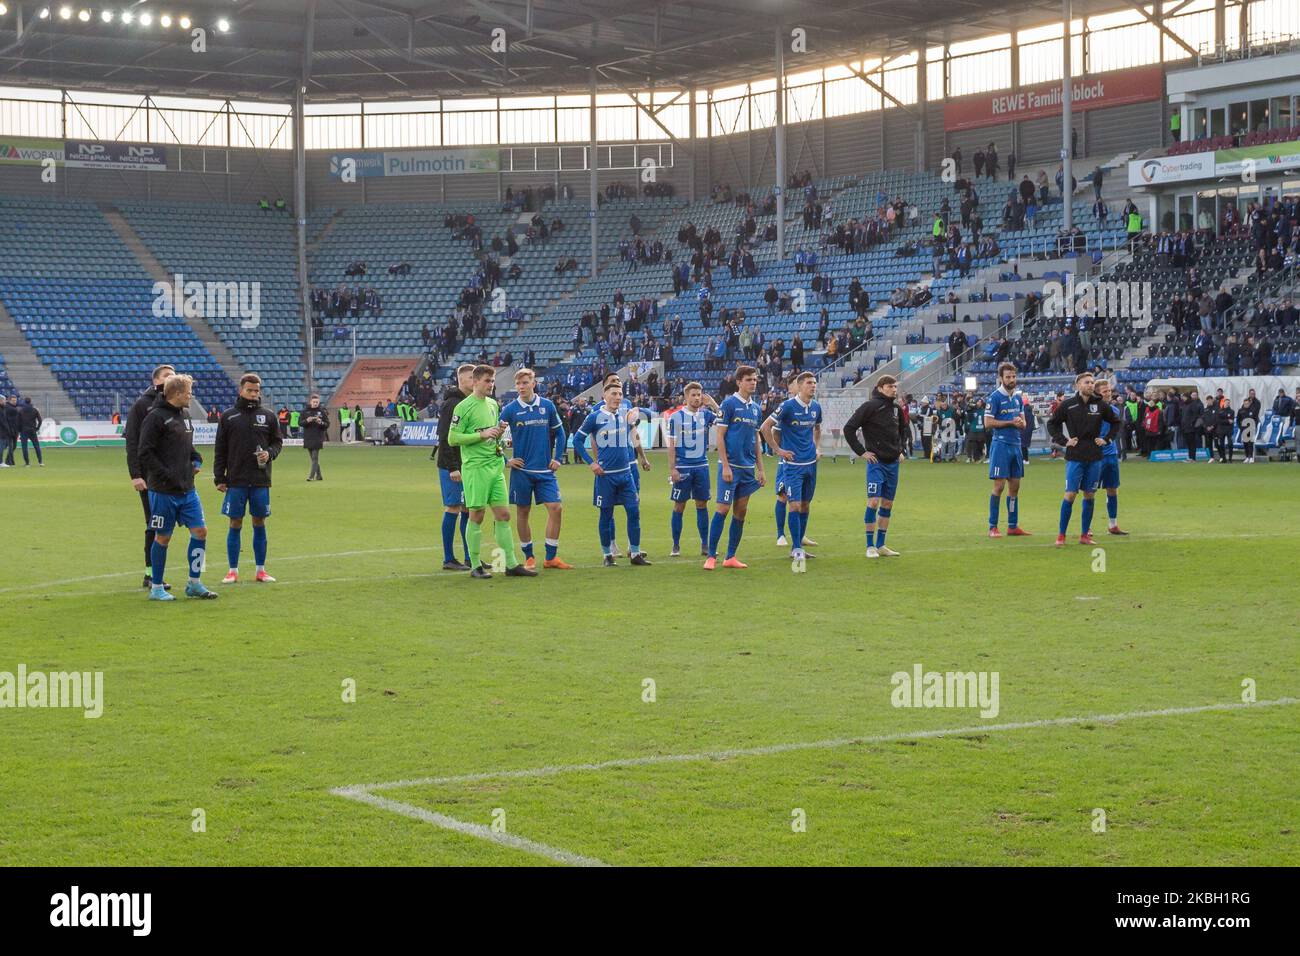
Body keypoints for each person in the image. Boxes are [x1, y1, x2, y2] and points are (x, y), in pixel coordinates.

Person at [446, 365, 536, 579]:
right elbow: (452, 438)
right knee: (476, 515)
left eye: (493, 381)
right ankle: (475, 565)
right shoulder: (463, 407)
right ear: (475, 381)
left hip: (495, 466)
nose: (491, 385)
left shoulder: (493, 404)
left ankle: (511, 564)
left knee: (503, 515)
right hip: (475, 468)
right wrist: (482, 434)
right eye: (487, 381)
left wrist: (498, 433)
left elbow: (492, 436)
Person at [136, 373, 217, 601]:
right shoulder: (155, 418)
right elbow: (145, 451)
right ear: (177, 394)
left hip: (187, 489)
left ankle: (194, 582)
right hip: (163, 491)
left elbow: (186, 446)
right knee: (163, 537)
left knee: (200, 531)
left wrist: (196, 458)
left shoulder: (184, 415)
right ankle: (157, 587)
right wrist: (166, 474)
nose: (191, 396)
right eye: (189, 392)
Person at [499, 368, 571, 571]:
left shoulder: (546, 406)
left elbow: (561, 433)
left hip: (545, 472)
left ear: (533, 383)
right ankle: (529, 556)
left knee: (556, 508)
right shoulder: (510, 409)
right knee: (523, 511)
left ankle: (551, 557)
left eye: (525, 383)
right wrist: (506, 460)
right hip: (522, 472)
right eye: (518, 384)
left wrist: (557, 458)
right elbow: (495, 436)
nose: (521, 387)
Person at [214, 373, 283, 584]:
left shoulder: (269, 416)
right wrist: (219, 477)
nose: (253, 394)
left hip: (261, 479)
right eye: (249, 390)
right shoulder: (228, 416)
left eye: (256, 391)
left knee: (259, 521)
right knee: (235, 522)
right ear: (241, 390)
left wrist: (269, 454)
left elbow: (277, 442)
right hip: (236, 480)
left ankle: (260, 570)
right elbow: (221, 449)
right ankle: (232, 570)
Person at [574, 380, 651, 566]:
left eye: (620, 394)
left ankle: (635, 553)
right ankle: (607, 555)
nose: (617, 397)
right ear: (604, 396)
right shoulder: (594, 417)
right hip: (605, 476)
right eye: (613, 394)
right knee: (606, 516)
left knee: (634, 512)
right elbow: (577, 440)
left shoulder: (626, 415)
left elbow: (647, 414)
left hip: (626, 474)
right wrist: (591, 463)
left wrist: (637, 411)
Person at [1047, 372, 1122, 547]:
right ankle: (1061, 535)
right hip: (1075, 455)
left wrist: (1107, 439)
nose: (1090, 385)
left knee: (1090, 494)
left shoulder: (1100, 405)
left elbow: (1116, 422)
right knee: (1071, 494)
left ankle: (1084, 535)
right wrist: (1064, 441)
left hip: (1095, 455)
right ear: (1077, 385)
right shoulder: (1068, 405)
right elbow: (1052, 423)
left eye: (1092, 382)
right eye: (1087, 382)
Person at [705, 365, 766, 570]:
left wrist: (761, 469)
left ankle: (730, 556)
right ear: (739, 382)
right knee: (722, 508)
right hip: (730, 467)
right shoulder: (729, 404)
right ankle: (711, 556)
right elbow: (720, 436)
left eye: (755, 380)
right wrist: (725, 466)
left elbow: (756, 440)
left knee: (741, 511)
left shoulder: (756, 409)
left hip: (748, 469)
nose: (753, 383)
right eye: (749, 379)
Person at [844, 375, 908, 558]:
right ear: (880, 388)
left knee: (888, 503)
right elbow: (849, 428)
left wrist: (900, 449)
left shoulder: (896, 409)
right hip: (876, 463)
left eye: (895, 387)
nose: (894, 390)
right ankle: (869, 545)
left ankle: (881, 545)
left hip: (893, 463)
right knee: (873, 501)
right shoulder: (870, 407)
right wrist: (861, 452)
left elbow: (903, 431)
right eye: (890, 386)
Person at [760, 372, 822, 562]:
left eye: (815, 383)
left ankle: (799, 545)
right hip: (792, 466)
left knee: (805, 505)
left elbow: (817, 428)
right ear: (800, 385)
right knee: (793, 504)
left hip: (811, 464)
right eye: (810, 383)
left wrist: (817, 447)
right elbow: (765, 427)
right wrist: (778, 450)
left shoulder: (816, 407)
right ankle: (795, 548)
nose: (813, 386)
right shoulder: (787, 406)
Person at [125, 364, 176, 589]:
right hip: (149, 476)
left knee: (174, 525)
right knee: (154, 524)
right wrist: (136, 474)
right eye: (167, 376)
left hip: (174, 478)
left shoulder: (175, 406)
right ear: (156, 380)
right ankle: (151, 574)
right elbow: (133, 442)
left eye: (174, 376)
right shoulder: (141, 406)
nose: (171, 378)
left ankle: (192, 576)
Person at [666, 382, 719, 557]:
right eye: (693, 395)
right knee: (679, 505)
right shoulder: (676, 417)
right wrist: (672, 469)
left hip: (701, 466)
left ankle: (705, 545)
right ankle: (675, 545)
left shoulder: (706, 414)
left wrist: (713, 404)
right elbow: (671, 446)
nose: (697, 398)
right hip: (683, 467)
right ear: (686, 396)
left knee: (702, 504)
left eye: (699, 395)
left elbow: (725, 419)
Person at [985, 363, 1031, 538]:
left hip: (1015, 445)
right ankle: (993, 526)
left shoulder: (1018, 398)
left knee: (1015, 486)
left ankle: (1012, 525)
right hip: (1001, 445)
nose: (1012, 380)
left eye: (1013, 376)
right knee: (999, 486)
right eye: (1008, 377)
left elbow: (1024, 422)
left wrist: (1021, 423)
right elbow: (988, 423)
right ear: (1001, 378)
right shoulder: (994, 398)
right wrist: (1011, 423)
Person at [435, 366, 475, 570]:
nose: (474, 380)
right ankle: (448, 558)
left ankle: (470, 557)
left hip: (468, 465)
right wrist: (452, 467)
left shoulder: (471, 403)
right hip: (452, 466)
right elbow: (443, 437)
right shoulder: (452, 404)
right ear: (461, 380)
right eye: (470, 377)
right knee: (453, 507)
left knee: (469, 508)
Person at [1094, 379, 1128, 535]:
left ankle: (1112, 524)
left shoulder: (1114, 410)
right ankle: (1086, 528)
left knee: (1112, 489)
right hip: (1096, 455)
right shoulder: (1092, 410)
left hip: (1111, 454)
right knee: (1090, 491)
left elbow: (1115, 430)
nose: (1108, 393)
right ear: (1097, 393)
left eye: (1109, 391)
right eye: (1104, 391)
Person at [301, 394, 328, 481]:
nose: (315, 403)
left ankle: (311, 476)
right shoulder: (305, 411)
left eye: (317, 402)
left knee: (315, 457)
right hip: (308, 437)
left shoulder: (322, 412)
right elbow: (300, 423)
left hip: (318, 437)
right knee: (313, 459)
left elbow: (327, 424)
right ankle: (319, 476)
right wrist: (307, 421)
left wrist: (321, 423)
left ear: (319, 402)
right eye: (314, 402)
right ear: (310, 402)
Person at [16, 397, 42, 465]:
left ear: (24, 402)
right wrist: (37, 428)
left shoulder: (21, 410)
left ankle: (27, 463)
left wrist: (19, 430)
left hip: (24, 430)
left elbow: (18, 422)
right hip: (32, 430)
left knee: (24, 447)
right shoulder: (35, 410)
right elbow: (40, 420)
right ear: (30, 402)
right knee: (36, 446)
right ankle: (40, 462)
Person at [0, 394, 17, 466]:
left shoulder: (4, 408)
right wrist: (8, 429)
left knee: (7, 446)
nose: (5, 401)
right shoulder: (5, 409)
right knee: (3, 446)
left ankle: (9, 461)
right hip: (4, 431)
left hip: (7, 430)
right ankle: (2, 462)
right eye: (4, 400)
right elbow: (4, 421)